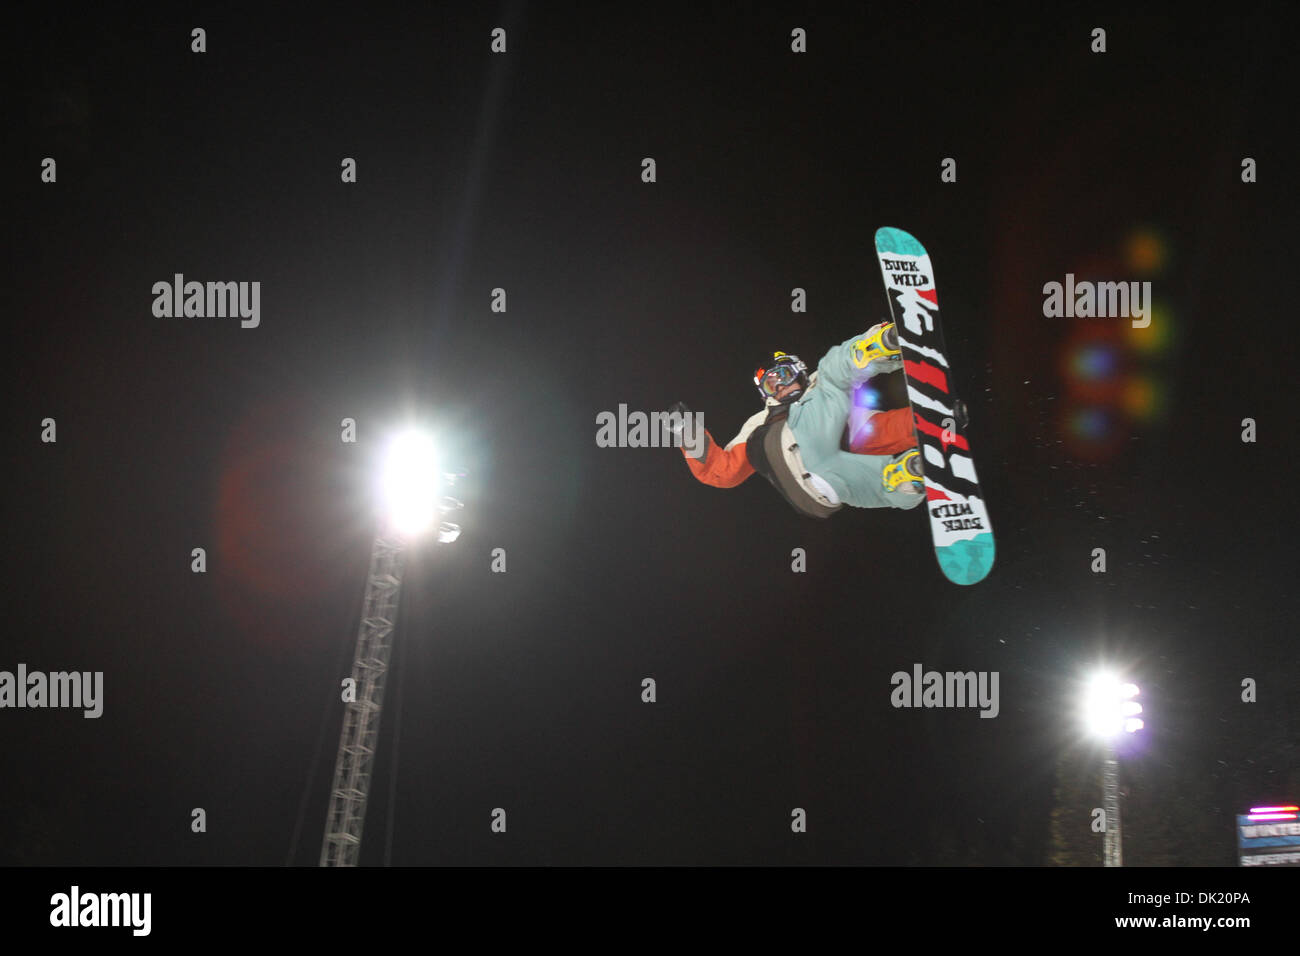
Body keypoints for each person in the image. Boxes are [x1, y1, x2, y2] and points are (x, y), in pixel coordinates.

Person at [668, 323, 929, 518]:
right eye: (771, 385)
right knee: (831, 372)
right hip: (792, 448)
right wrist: (687, 434)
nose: (780, 386)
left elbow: (880, 432)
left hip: (822, 489)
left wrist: (929, 422)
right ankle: (877, 346)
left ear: (798, 371)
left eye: (783, 375)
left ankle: (907, 476)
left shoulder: (818, 396)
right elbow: (722, 471)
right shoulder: (764, 419)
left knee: (877, 468)